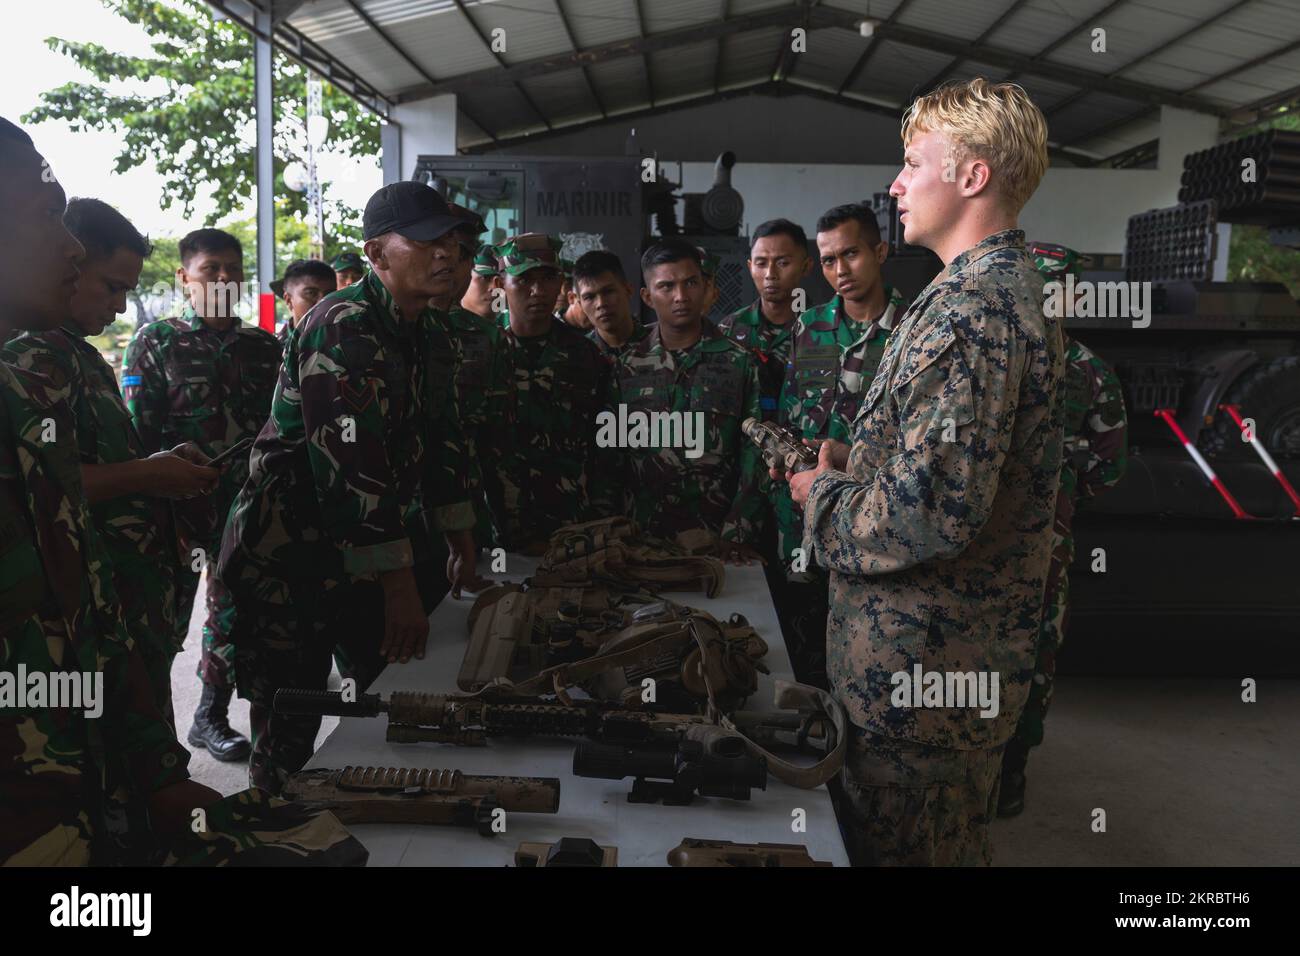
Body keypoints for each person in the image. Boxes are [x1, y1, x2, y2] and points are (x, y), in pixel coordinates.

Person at [781, 78, 1063, 865]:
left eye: (912, 163)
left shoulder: (975, 312)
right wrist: (860, 461)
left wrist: (820, 496)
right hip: (920, 680)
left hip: (923, 692)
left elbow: (929, 512)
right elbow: (946, 469)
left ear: (973, 176)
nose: (897, 184)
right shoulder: (972, 295)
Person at [0, 116, 220, 865]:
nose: (68, 249)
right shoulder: (30, 368)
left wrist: (154, 766)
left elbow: (75, 597)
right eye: (43, 213)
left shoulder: (40, 374)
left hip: (69, 763)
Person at [217, 180, 483, 794]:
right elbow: (351, 469)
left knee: (386, 702)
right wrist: (399, 584)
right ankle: (275, 828)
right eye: (424, 241)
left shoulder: (434, 331)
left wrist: (460, 534)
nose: (445, 253)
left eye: (451, 239)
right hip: (289, 558)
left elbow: (443, 438)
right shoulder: (341, 325)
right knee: (291, 723)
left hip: (366, 550)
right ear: (376, 254)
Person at [2, 198, 219, 724]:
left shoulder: (75, 352)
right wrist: (150, 473)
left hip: (123, 604)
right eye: (111, 286)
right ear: (68, 265)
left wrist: (156, 465)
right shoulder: (34, 356)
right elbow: (39, 489)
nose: (120, 307)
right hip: (81, 616)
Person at [122, 227, 282, 762]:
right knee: (161, 625)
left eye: (232, 269)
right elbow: (136, 437)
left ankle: (209, 717)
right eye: (210, 268)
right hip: (174, 511)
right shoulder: (156, 342)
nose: (223, 278)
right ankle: (151, 741)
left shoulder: (265, 348)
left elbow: (280, 432)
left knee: (230, 616)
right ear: (183, 277)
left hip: (245, 509)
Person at [998, 242, 1128, 817]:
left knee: (1035, 657)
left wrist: (1060, 502)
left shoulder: (1090, 374)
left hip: (1044, 546)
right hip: (981, 544)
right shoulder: (992, 360)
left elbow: (1109, 463)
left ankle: (1013, 770)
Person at [772, 203, 908, 685]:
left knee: (868, 658)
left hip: (871, 521)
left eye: (850, 254)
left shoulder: (912, 334)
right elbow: (791, 413)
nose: (839, 270)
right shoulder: (809, 328)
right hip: (806, 517)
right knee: (802, 648)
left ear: (880, 251)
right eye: (828, 260)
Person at [606, 238, 763, 563]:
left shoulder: (739, 362)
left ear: (705, 286)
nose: (680, 296)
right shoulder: (627, 365)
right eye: (666, 286)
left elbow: (754, 454)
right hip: (640, 540)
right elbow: (610, 457)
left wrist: (737, 531)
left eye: (690, 283)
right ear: (648, 296)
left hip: (717, 538)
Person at [485, 233, 609, 552]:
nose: (538, 291)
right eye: (524, 279)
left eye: (549, 278)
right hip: (496, 534)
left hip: (572, 532)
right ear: (500, 283)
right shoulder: (479, 354)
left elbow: (607, 450)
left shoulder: (589, 357)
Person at [435, 203, 509, 552]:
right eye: (437, 249)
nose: (449, 264)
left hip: (466, 508)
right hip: (392, 522)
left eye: (462, 254)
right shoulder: (375, 329)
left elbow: (496, 438)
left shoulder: (487, 337)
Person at [574, 249, 647, 362]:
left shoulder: (661, 345)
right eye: (589, 297)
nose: (601, 304)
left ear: (628, 290)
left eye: (608, 292)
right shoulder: (574, 357)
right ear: (580, 304)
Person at [273, 258, 336, 345]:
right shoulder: (271, 350)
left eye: (329, 294)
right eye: (311, 293)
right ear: (288, 300)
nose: (323, 302)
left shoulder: (350, 343)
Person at [461, 243, 502, 320]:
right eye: (485, 278)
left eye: (501, 281)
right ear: (464, 278)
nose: (495, 287)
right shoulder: (445, 326)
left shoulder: (514, 327)